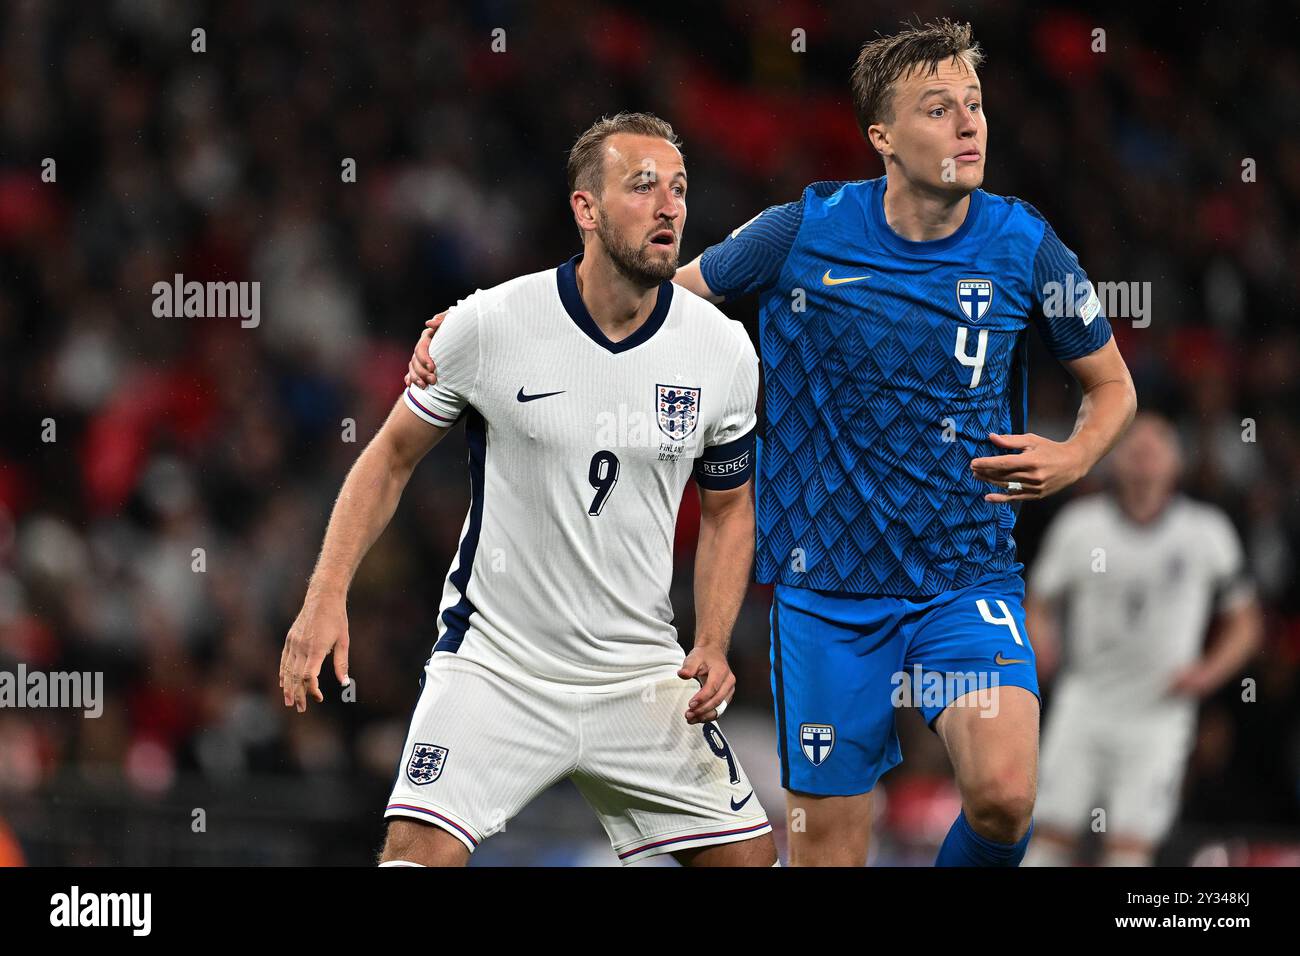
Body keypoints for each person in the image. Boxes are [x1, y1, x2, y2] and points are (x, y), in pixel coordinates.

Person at [408, 20, 1137, 866]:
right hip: (825, 592)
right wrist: (488, 324)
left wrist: (1076, 456)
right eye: (939, 110)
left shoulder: (1024, 245)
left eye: (974, 104)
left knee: (1008, 798)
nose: (969, 124)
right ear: (883, 138)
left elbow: (1112, 386)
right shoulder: (803, 231)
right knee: (828, 852)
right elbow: (648, 300)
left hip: (962, 576)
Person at [281, 112, 776, 866]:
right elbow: (387, 460)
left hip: (641, 673)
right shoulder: (491, 324)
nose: (669, 205)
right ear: (586, 209)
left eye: (678, 188)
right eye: (643, 187)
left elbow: (729, 509)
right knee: (415, 857)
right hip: (497, 667)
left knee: (748, 862)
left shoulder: (722, 350)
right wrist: (326, 594)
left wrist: (710, 639)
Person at [1023, 413, 1262, 866]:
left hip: (1158, 714)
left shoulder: (1205, 532)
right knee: (1049, 837)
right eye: (1134, 446)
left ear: (1176, 463)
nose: (1144, 455)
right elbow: (1038, 600)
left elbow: (1246, 622)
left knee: (1130, 847)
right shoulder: (1080, 527)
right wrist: (1042, 643)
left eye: (1156, 447)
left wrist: (1208, 674)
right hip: (1085, 700)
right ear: (1114, 461)